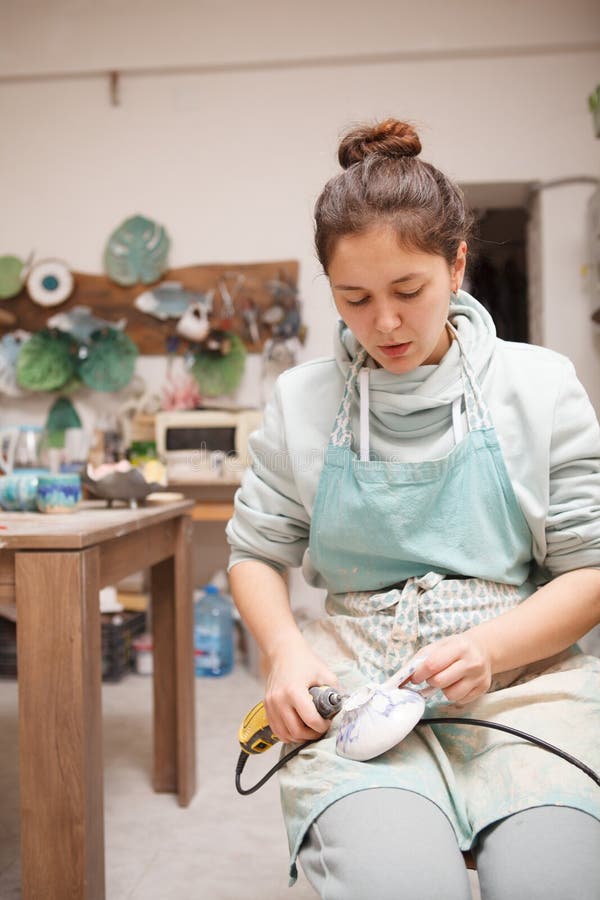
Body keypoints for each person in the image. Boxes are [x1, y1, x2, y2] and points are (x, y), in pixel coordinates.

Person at [226, 119, 600, 900]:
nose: (385, 323)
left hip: (524, 681)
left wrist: (490, 650)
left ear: (457, 264)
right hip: (355, 683)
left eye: (408, 291)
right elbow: (256, 551)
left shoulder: (540, 386)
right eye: (354, 298)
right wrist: (287, 655)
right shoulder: (301, 400)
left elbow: (589, 570)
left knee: (549, 878)